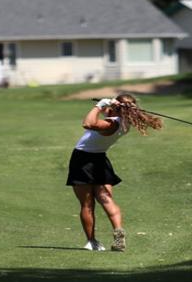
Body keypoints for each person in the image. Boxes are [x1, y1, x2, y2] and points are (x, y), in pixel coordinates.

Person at [66, 93, 162, 252]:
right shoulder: (124, 122)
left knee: (87, 205)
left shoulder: (111, 124)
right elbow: (107, 117)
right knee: (107, 200)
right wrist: (109, 107)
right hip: (100, 160)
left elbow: (87, 123)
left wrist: (99, 105)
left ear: (117, 108)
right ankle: (118, 231)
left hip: (83, 161)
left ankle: (92, 241)